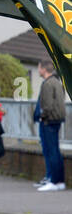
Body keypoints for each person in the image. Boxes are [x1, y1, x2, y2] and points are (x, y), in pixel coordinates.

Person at [35, 59, 67, 191]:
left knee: (51, 151)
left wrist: (42, 117)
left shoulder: (48, 84)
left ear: (43, 69)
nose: (38, 70)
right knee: (55, 151)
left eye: (39, 68)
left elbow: (47, 106)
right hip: (56, 120)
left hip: (49, 121)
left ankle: (53, 181)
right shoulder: (57, 82)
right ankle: (58, 181)